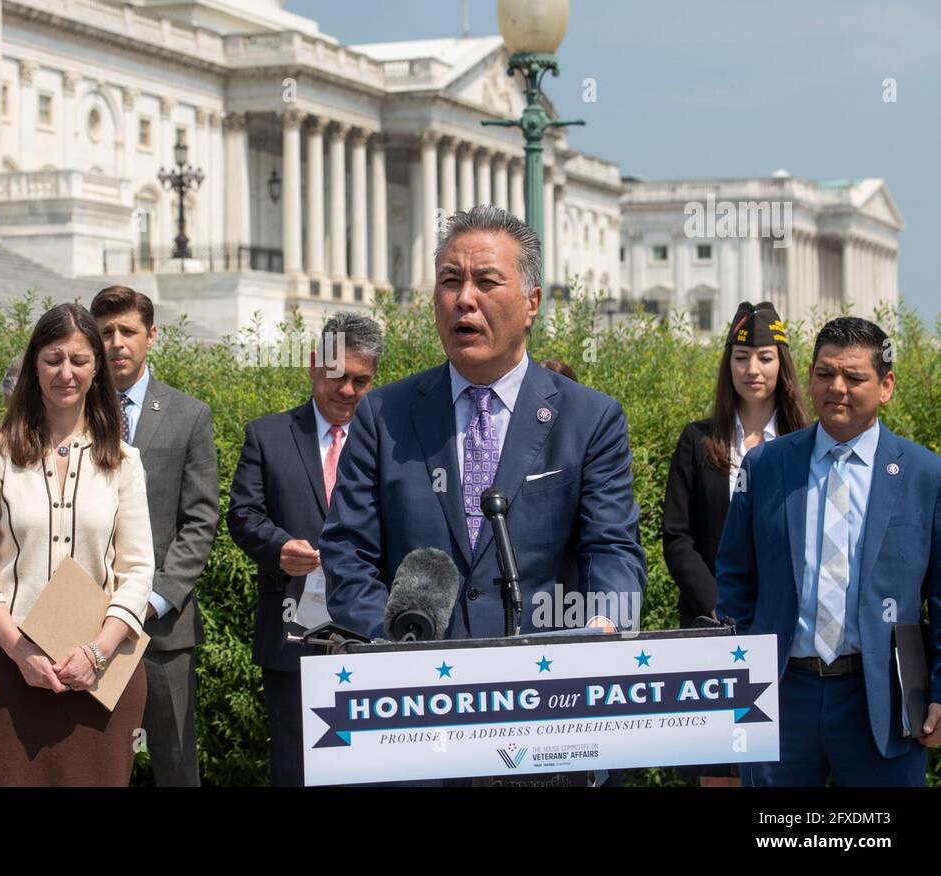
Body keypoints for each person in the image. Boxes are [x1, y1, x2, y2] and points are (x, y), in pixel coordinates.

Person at [319, 205, 646, 643]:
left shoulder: (590, 419)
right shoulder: (384, 417)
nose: (464, 299)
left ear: (532, 304)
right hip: (415, 685)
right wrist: (389, 643)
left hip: (547, 684)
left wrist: (602, 626)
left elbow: (611, 548)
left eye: (487, 282)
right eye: (450, 281)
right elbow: (348, 553)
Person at [716, 317, 941, 786]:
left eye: (855, 377)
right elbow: (736, 578)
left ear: (886, 386)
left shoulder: (924, 474)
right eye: (824, 373)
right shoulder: (768, 465)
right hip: (782, 694)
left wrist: (939, 691)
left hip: (881, 698)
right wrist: (739, 674)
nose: (837, 387)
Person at [0, 303, 154, 786]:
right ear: (34, 365)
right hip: (4, 671)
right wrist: (21, 649)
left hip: (100, 679)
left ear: (96, 368)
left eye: (79, 360)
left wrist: (97, 653)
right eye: (52, 359)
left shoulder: (124, 462)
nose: (66, 372)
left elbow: (138, 572)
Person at [228, 312, 382, 787]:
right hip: (293, 631)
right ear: (315, 365)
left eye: (362, 381)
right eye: (338, 376)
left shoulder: (391, 442)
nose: (348, 392)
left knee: (372, 768)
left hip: (373, 636)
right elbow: (242, 515)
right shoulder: (268, 435)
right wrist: (279, 547)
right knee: (296, 767)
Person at [662, 302, 809, 786]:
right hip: (711, 627)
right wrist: (723, 610)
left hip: (783, 630)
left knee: (778, 764)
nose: (752, 369)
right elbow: (678, 537)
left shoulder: (806, 443)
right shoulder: (698, 439)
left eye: (765, 357)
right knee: (720, 762)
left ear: (782, 364)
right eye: (741, 357)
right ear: (728, 364)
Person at [90, 285, 219, 787]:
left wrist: (153, 599)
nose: (116, 343)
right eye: (105, 333)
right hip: (87, 622)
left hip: (162, 627)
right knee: (92, 762)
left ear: (151, 336)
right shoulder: (76, 413)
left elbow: (200, 518)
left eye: (128, 331)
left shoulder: (190, 416)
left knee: (175, 762)